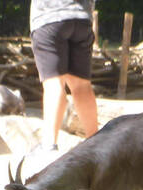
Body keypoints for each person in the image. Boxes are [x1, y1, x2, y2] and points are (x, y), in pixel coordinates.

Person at [30, 0, 100, 151]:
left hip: (49, 17)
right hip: (82, 18)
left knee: (54, 84)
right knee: (82, 85)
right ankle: (96, 145)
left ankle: (49, 146)